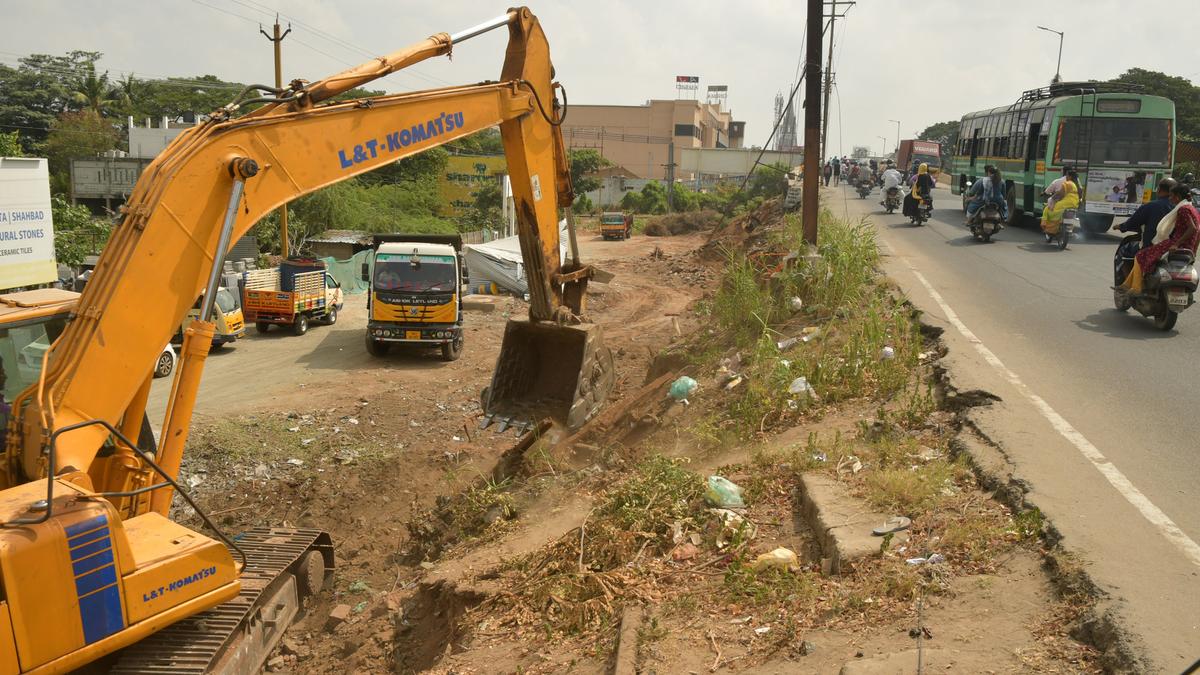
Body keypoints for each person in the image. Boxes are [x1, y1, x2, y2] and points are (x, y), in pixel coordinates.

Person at [1119, 184, 1200, 294]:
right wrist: (1193, 250)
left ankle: (1137, 288)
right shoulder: (1192, 208)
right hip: (1187, 246)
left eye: (1171, 196)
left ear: (1177, 197)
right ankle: (1127, 284)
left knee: (1140, 255)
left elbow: (1193, 229)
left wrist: (1176, 244)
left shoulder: (1183, 209)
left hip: (1176, 244)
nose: (1170, 198)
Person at [1116, 178, 1177, 280]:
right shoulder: (1182, 207)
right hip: (1177, 247)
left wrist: (1121, 226)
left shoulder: (1151, 206)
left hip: (1152, 246)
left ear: (1159, 190)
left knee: (1124, 250)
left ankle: (1129, 283)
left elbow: (1133, 222)